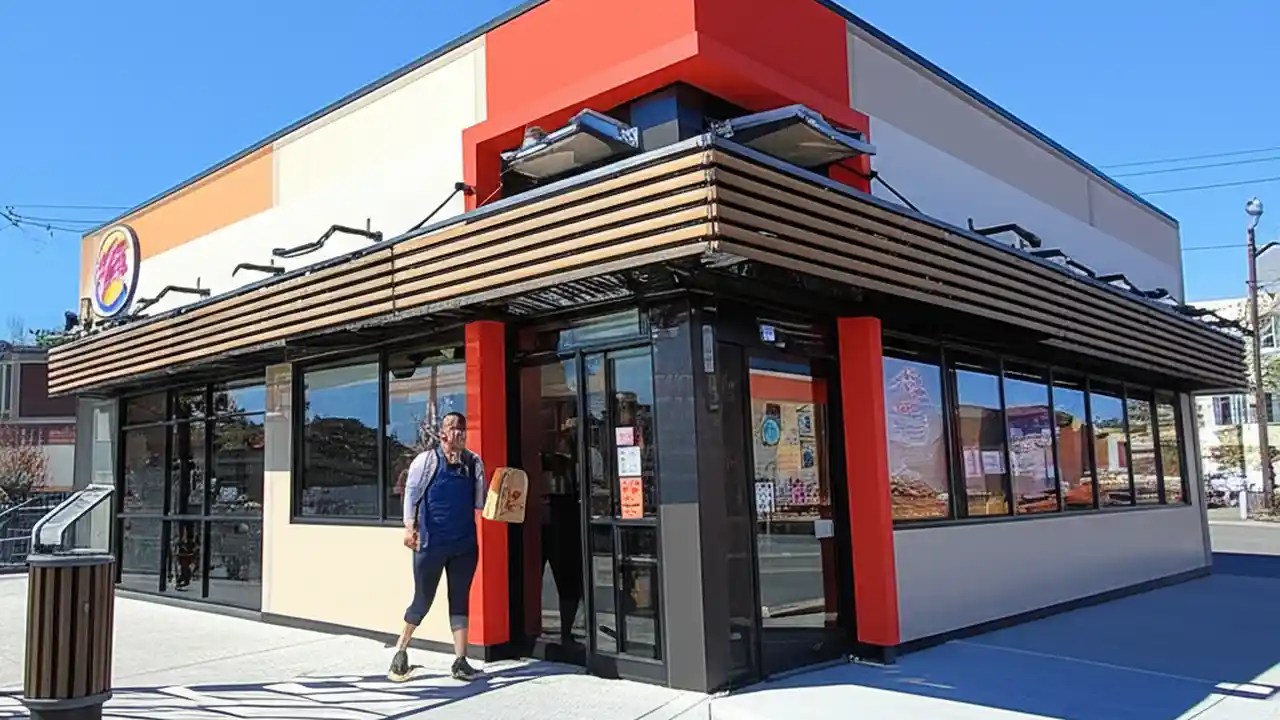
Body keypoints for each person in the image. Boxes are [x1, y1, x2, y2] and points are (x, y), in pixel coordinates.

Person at [389, 412, 486, 682]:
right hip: (431, 543)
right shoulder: (427, 461)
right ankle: (400, 652)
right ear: (442, 433)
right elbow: (411, 494)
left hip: (464, 544)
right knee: (422, 599)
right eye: (452, 428)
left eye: (461, 428)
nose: (458, 433)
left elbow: (481, 502)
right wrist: (409, 527)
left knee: (460, 599)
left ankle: (460, 661)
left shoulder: (474, 463)